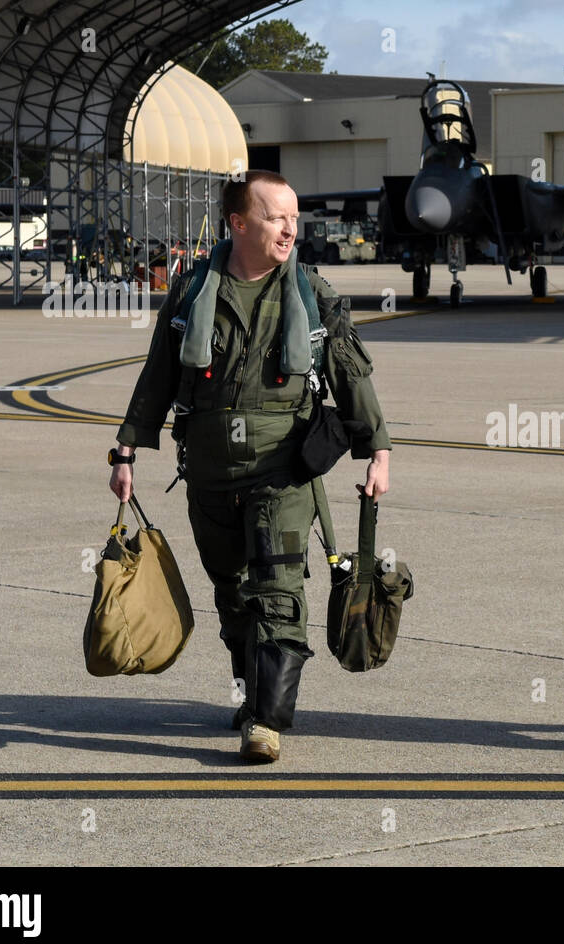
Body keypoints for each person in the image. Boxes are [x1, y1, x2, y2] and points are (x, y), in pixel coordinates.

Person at [108, 170, 392, 763]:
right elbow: (157, 376)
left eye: (294, 217)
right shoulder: (191, 292)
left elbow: (352, 377)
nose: (290, 228)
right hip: (209, 474)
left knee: (278, 591)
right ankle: (250, 690)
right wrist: (128, 449)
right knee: (233, 594)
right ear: (238, 223)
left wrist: (378, 451)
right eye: (275, 217)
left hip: (282, 470)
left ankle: (267, 720)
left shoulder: (314, 295)